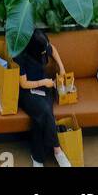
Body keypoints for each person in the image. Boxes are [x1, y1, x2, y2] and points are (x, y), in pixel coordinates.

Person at [14, 27, 71, 169]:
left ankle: (37, 157)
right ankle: (57, 150)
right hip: (27, 91)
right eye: (43, 51)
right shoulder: (20, 55)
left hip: (44, 86)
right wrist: (43, 82)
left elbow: (53, 49)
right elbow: (23, 83)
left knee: (41, 117)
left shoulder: (42, 45)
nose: (45, 53)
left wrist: (62, 67)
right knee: (45, 111)